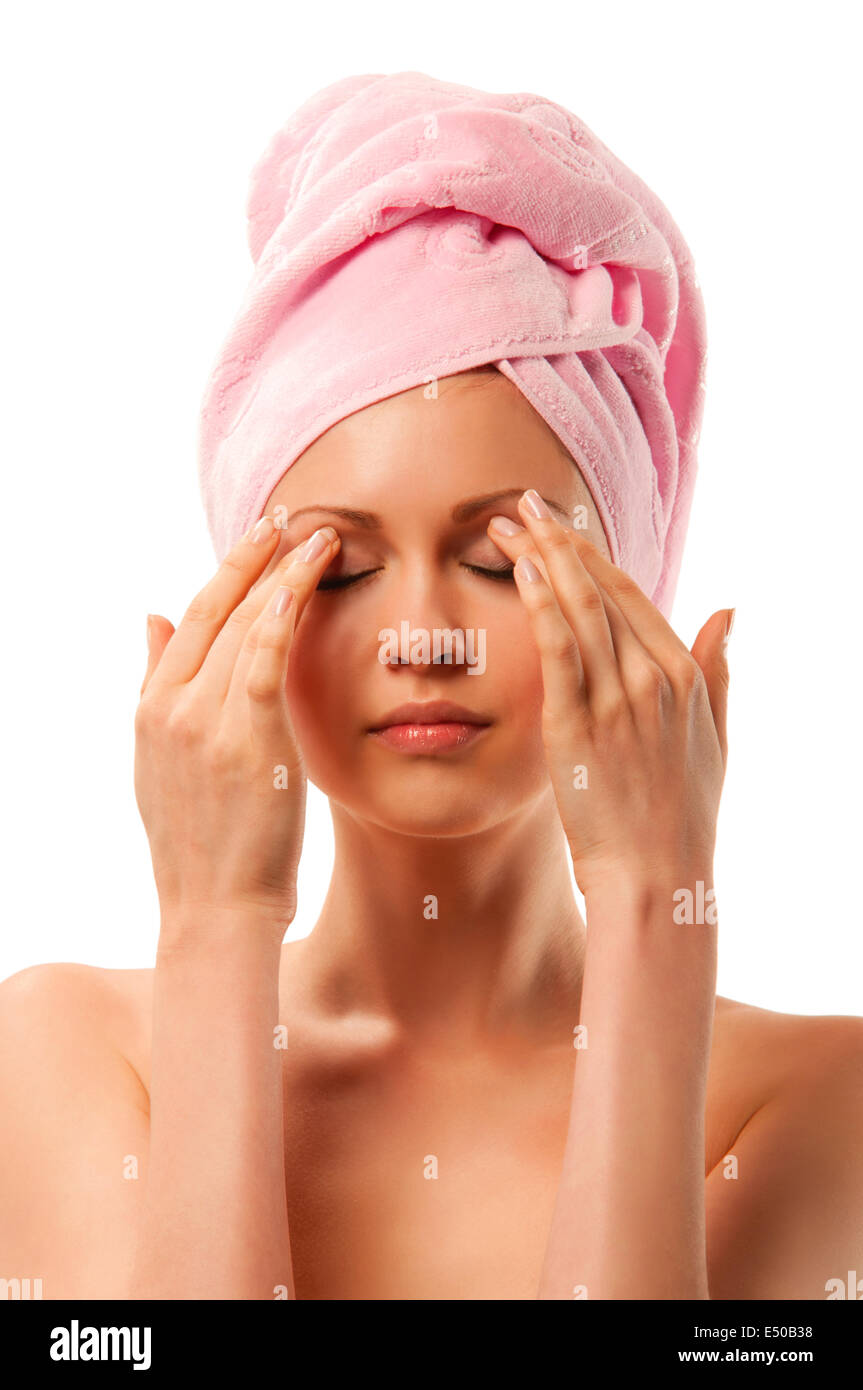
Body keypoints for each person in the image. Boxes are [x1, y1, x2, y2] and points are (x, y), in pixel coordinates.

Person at [2, 73, 861, 1301]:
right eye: (338, 568)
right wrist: (212, 922)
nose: (422, 639)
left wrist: (651, 904)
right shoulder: (60, 1056)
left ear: (632, 589)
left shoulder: (822, 1107)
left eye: (494, 559)